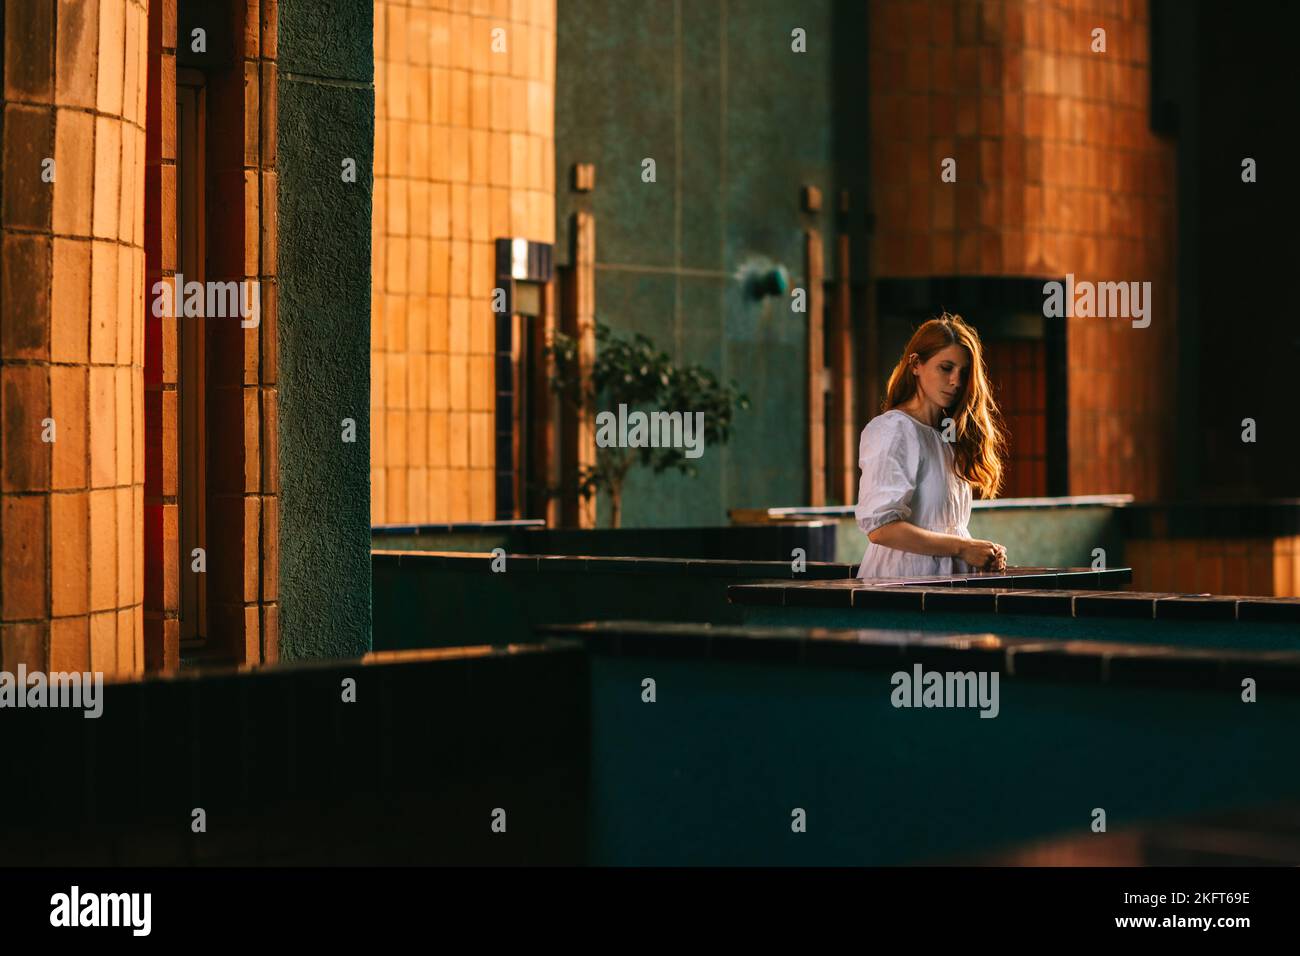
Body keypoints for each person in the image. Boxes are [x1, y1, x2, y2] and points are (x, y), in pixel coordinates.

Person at [855, 312, 1009, 580]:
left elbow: (950, 528)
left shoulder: (947, 437)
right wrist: (963, 548)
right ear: (916, 364)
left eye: (963, 373)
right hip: (901, 584)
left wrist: (983, 552)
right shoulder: (893, 430)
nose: (956, 382)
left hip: (949, 583)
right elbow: (881, 528)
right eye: (946, 368)